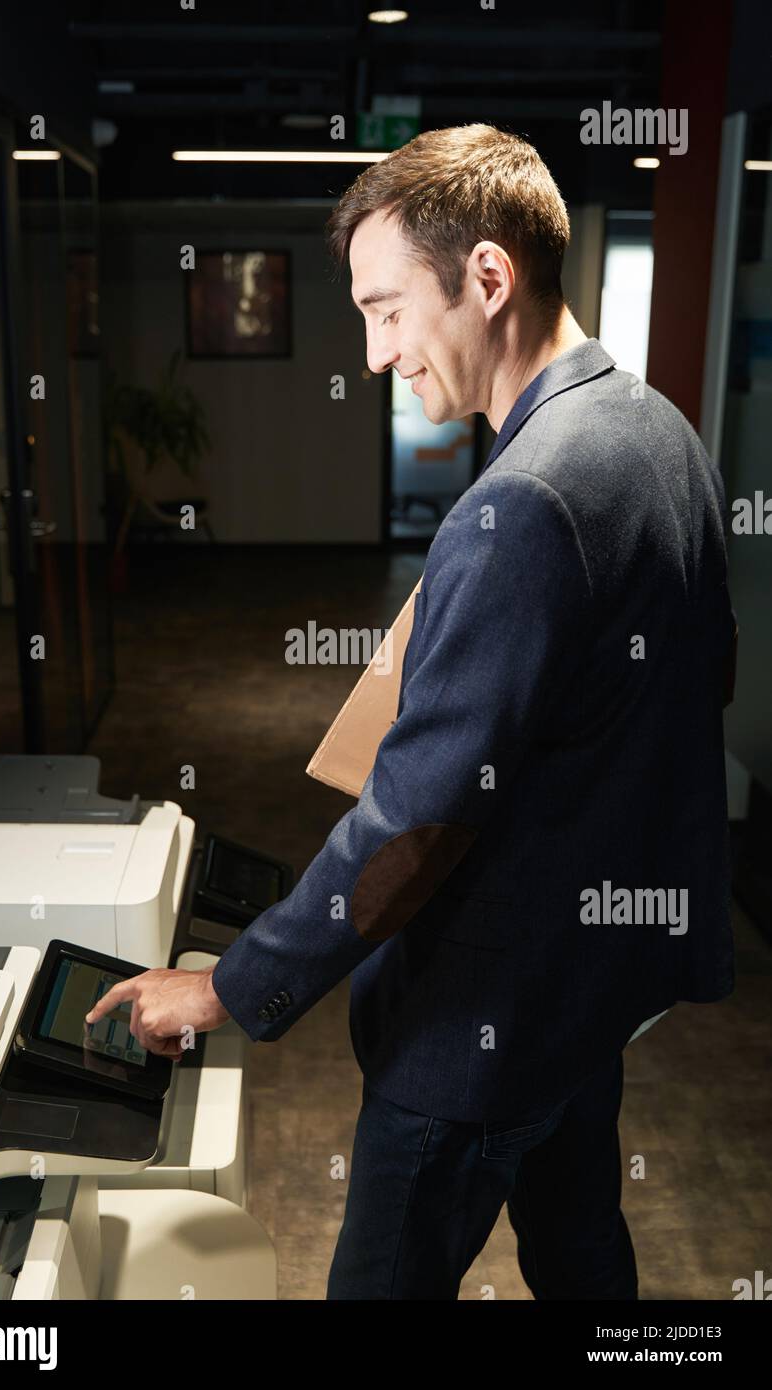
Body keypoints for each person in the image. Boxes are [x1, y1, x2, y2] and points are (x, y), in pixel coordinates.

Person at [86, 124, 737, 1300]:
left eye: (388, 310)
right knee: (585, 1260)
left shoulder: (528, 499)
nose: (375, 353)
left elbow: (418, 820)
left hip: (478, 1024)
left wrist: (232, 985)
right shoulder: (658, 433)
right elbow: (682, 701)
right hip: (588, 994)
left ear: (487, 278)